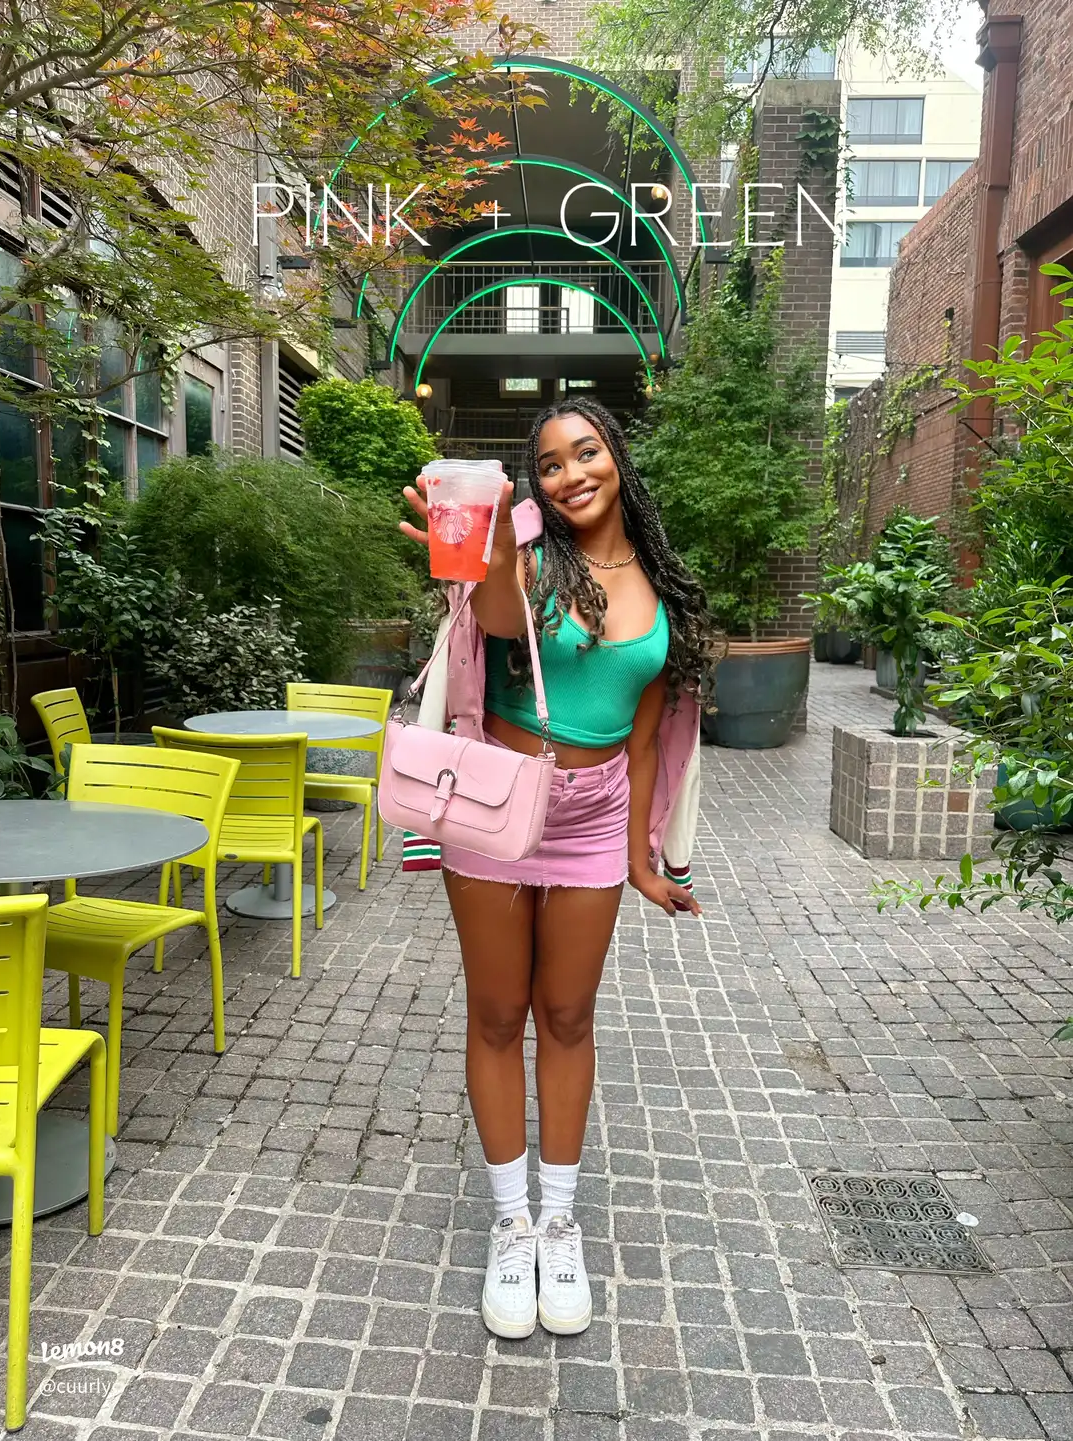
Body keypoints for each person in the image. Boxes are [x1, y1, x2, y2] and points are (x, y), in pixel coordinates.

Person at [400, 398, 717, 1340]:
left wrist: (645, 862)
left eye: (587, 453)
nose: (571, 474)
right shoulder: (533, 557)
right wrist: (490, 540)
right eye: (549, 464)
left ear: (616, 458)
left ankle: (561, 1220)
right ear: (531, 481)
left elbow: (651, 736)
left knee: (568, 1015)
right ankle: (511, 1227)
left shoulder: (660, 582)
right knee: (498, 1013)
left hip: (592, 820)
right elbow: (497, 615)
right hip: (498, 807)